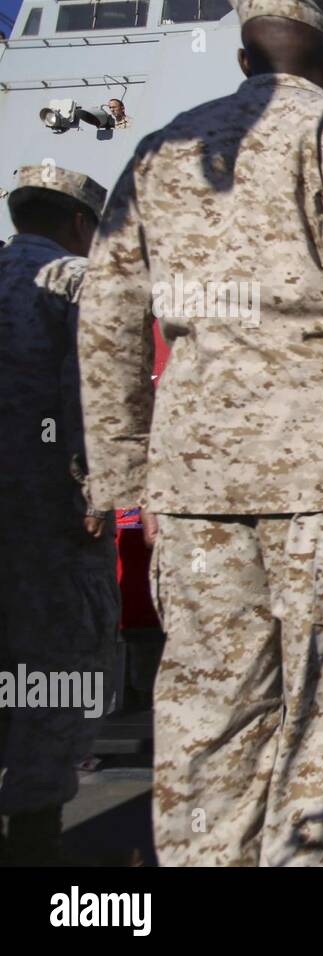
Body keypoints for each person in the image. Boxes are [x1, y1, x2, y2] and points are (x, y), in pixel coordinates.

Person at [78, 0, 323, 866]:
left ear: (242, 58)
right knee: (319, 727)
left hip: (195, 493)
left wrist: (128, 483)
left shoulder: (159, 153)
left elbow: (107, 320)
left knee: (207, 725)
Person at [0, 165, 117, 866]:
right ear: (79, 225)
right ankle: (35, 834)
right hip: (48, 520)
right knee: (56, 662)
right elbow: (92, 397)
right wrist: (94, 490)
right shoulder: (73, 284)